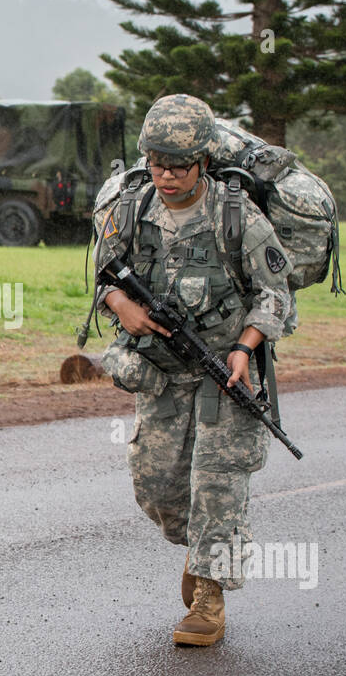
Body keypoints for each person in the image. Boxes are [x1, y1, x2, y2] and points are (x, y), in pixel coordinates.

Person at [92, 94, 295, 646]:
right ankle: (200, 551)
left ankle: (210, 594)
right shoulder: (132, 208)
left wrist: (245, 346)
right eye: (157, 163)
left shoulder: (236, 216)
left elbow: (276, 295)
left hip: (224, 373)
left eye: (179, 166)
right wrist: (119, 304)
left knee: (217, 483)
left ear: (202, 161)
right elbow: (101, 267)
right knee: (157, 489)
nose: (167, 175)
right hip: (158, 372)